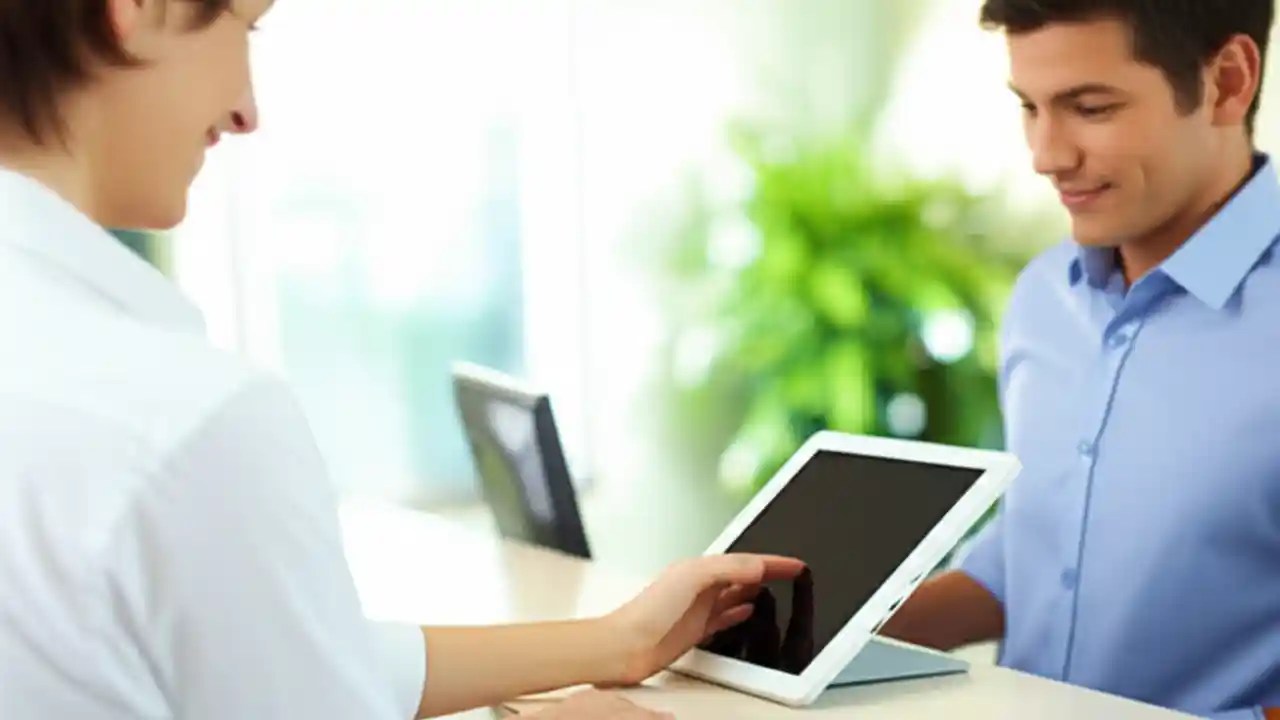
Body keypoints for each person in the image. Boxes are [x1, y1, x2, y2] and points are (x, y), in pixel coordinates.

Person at [0, 1, 807, 718]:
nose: (247, 110)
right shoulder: (181, 420)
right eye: (245, 25)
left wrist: (617, 640)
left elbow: (302, 665)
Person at [879, 1, 1280, 718]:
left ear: (1226, 81)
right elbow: (1037, 553)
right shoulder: (1042, 299)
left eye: (1090, 108)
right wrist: (824, 631)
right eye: (1029, 107)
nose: (1046, 155)